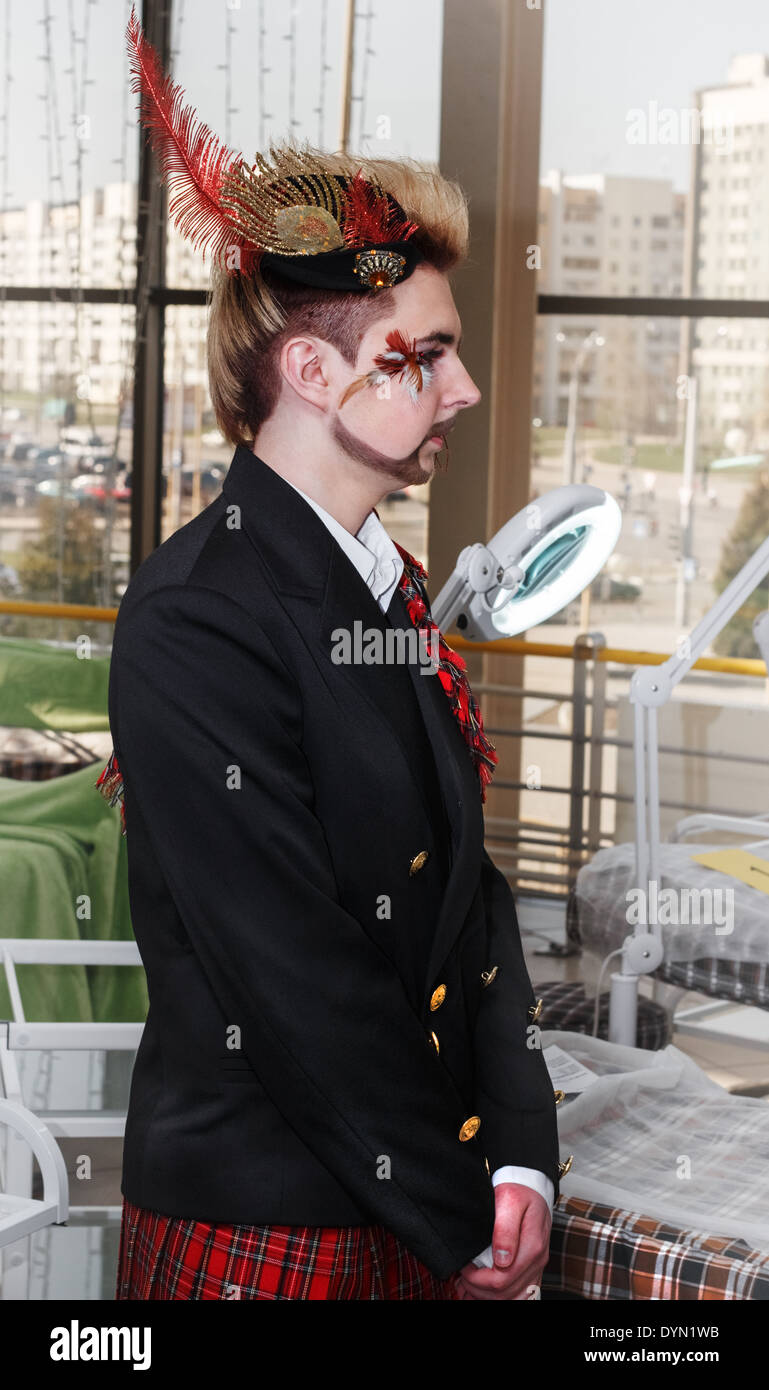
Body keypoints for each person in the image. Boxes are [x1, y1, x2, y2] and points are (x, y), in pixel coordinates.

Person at [97, 7, 567, 1302]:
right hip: (271, 1229)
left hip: (418, 1199)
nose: (460, 390)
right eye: (425, 356)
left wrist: (520, 1154)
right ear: (312, 370)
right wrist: (461, 1204)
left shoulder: (389, 586)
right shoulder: (193, 617)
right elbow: (293, 978)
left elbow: (472, 902)